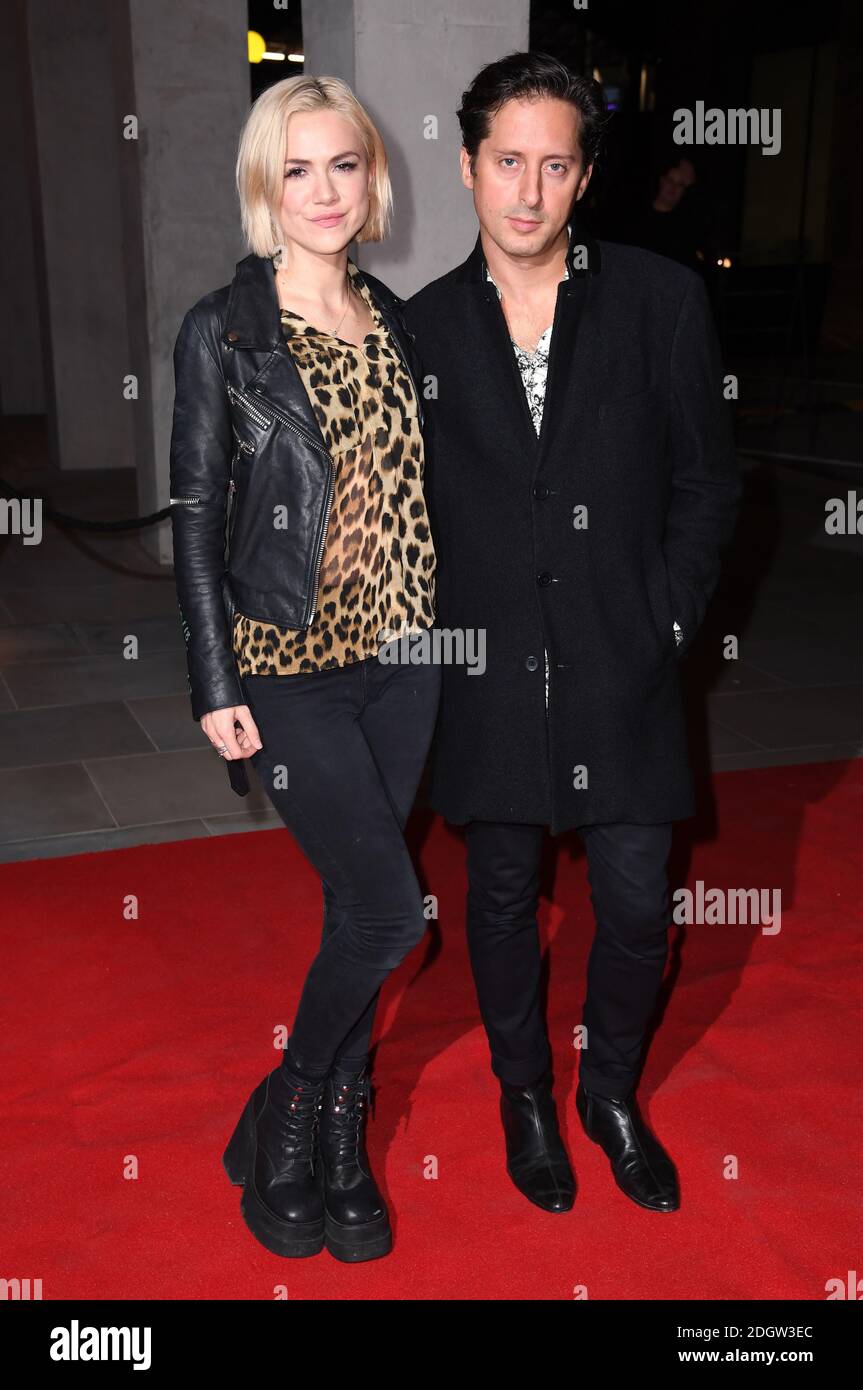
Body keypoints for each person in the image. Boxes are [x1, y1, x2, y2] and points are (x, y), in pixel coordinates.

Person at [402, 52, 742, 1215]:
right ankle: (523, 1095)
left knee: (640, 900)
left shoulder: (658, 301)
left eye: (554, 164)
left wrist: (670, 611)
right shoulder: (423, 330)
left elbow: (707, 481)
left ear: (584, 173)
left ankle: (607, 1092)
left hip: (623, 658)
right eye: (507, 162)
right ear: (466, 167)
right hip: (491, 672)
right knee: (497, 896)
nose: (528, 192)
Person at [169, 75, 439, 1262]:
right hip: (286, 663)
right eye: (297, 169)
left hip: (406, 658)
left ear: (371, 177)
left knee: (357, 904)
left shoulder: (397, 321)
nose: (323, 191)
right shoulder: (222, 329)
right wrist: (214, 680)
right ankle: (289, 1105)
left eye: (343, 165)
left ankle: (338, 1135)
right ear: (263, 186)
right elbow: (192, 511)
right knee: (390, 912)